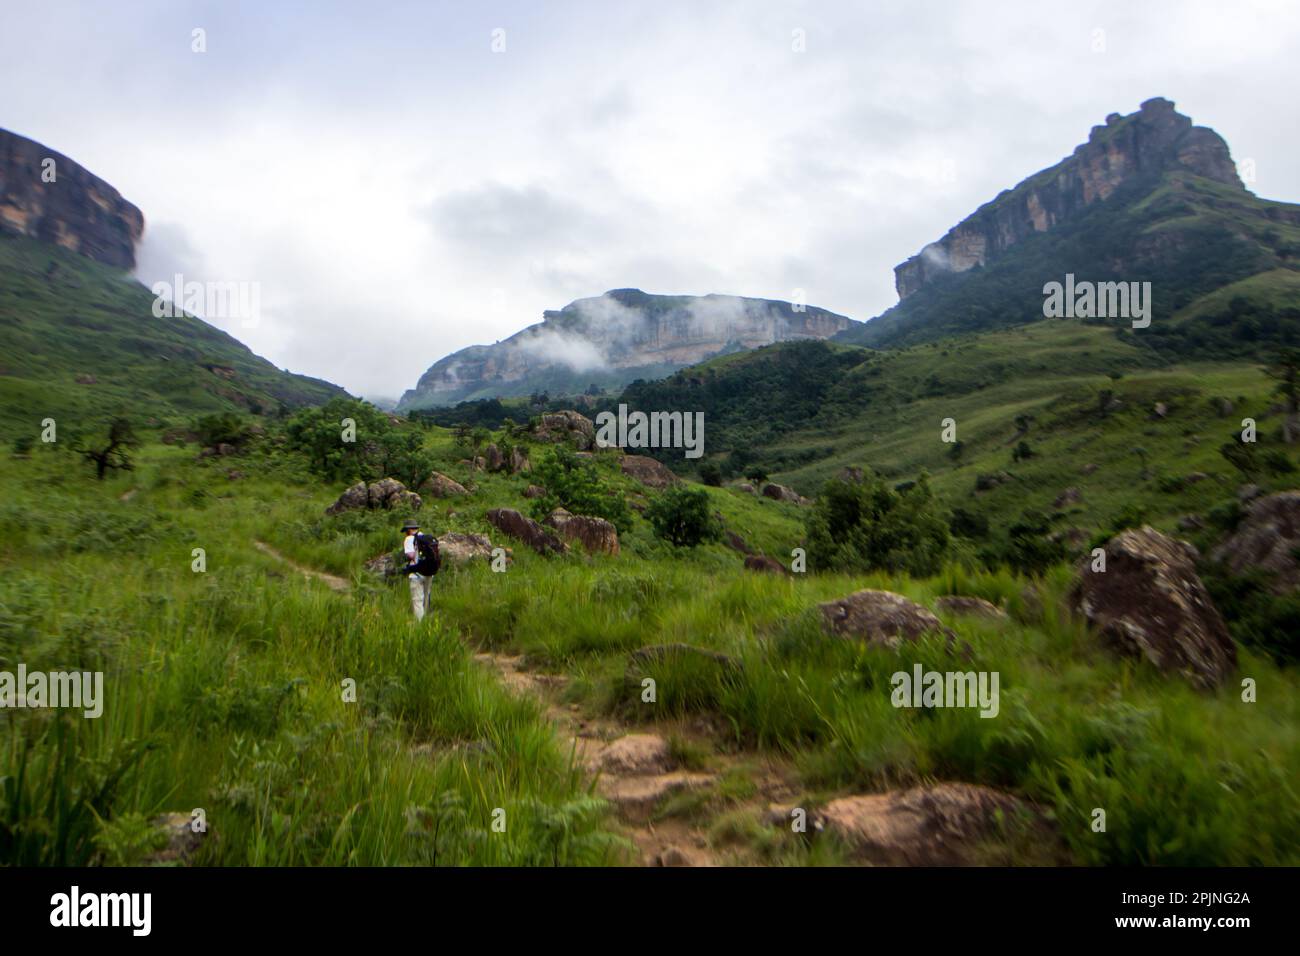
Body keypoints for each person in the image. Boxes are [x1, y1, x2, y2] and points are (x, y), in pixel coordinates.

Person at [400, 519, 439, 621]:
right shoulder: (426, 537)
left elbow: (411, 555)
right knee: (426, 598)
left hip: (416, 574)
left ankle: (420, 626)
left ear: (408, 530)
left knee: (417, 601)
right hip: (429, 572)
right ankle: (428, 622)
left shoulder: (409, 539)